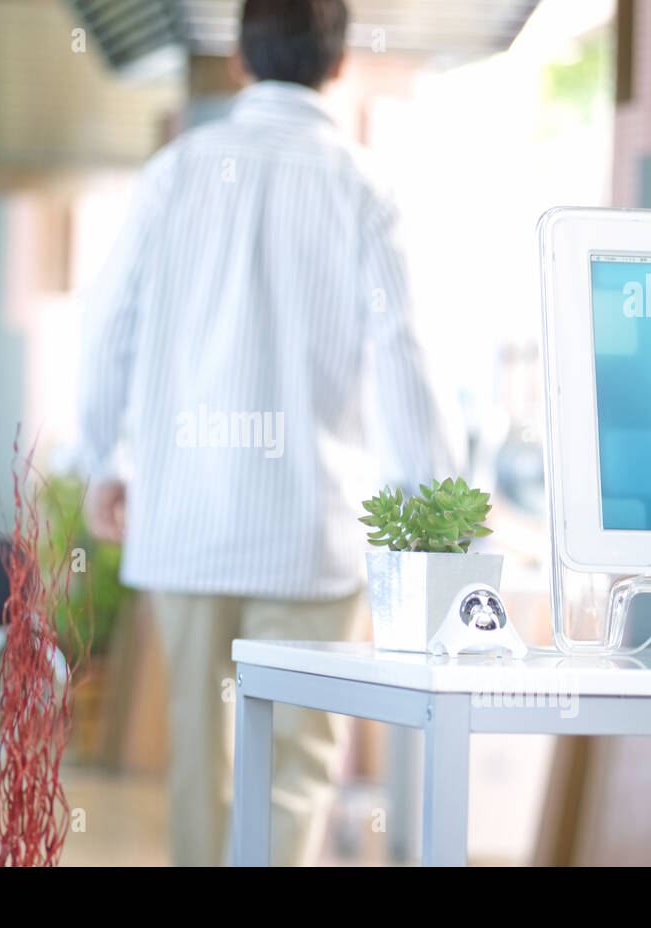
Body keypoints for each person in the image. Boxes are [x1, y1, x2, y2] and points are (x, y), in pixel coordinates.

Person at [75, 0, 453, 865]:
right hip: (308, 529)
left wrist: (104, 459)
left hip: (185, 522)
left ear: (241, 60)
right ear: (341, 62)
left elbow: (110, 326)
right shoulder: (364, 187)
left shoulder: (174, 173)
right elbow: (405, 354)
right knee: (295, 765)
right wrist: (429, 517)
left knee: (196, 760)